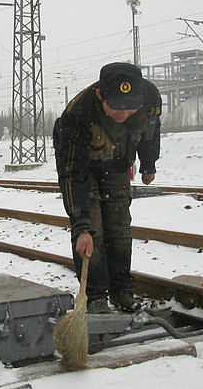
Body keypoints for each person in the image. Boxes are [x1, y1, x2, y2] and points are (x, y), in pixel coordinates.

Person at [53, 62, 162, 314]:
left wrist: (148, 162)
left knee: (120, 227)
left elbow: (151, 131)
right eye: (116, 109)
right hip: (84, 167)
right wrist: (80, 225)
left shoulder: (150, 97)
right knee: (92, 232)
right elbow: (72, 173)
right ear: (101, 96)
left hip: (117, 163)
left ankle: (122, 290)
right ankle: (95, 296)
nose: (124, 115)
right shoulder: (77, 115)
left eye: (130, 109)